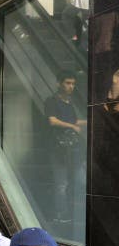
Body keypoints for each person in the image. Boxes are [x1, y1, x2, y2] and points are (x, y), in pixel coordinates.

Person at [44, 71, 86, 232]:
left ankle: (72, 212)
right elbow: (52, 120)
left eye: (73, 84)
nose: (71, 87)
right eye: (68, 83)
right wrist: (72, 126)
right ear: (59, 83)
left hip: (71, 148)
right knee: (61, 183)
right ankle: (60, 214)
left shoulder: (69, 103)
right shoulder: (51, 101)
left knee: (79, 179)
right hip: (58, 148)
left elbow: (74, 121)